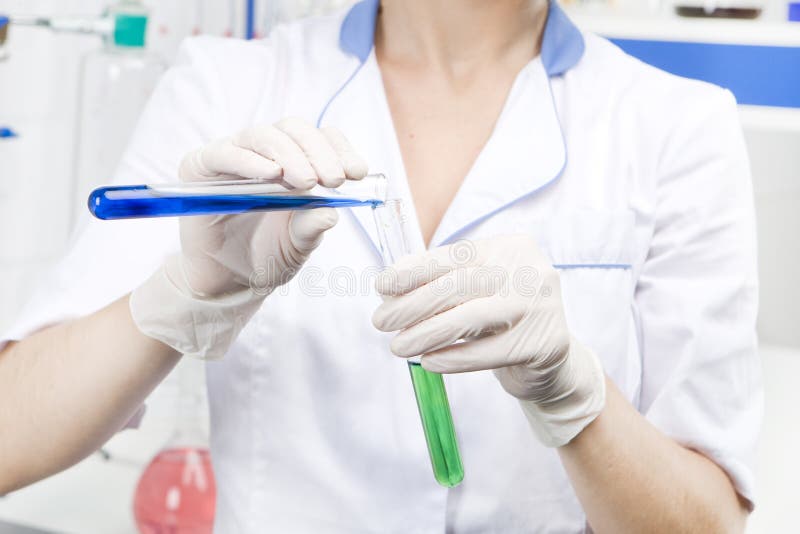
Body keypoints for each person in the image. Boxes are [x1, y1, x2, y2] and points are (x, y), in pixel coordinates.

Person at [0, 0, 760, 532]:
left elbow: (709, 523)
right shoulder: (226, 85)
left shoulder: (678, 127)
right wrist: (186, 292)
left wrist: (576, 396)